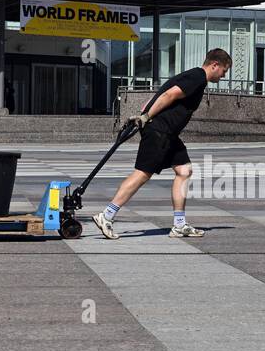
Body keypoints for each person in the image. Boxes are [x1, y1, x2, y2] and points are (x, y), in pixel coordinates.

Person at [92, 49, 232, 240]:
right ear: (214, 65)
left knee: (184, 170)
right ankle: (106, 215)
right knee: (142, 173)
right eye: (224, 70)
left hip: (168, 133)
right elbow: (169, 95)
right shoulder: (198, 77)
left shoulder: (192, 76)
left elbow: (159, 94)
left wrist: (144, 112)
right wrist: (146, 116)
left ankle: (179, 225)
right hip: (160, 130)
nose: (224, 75)